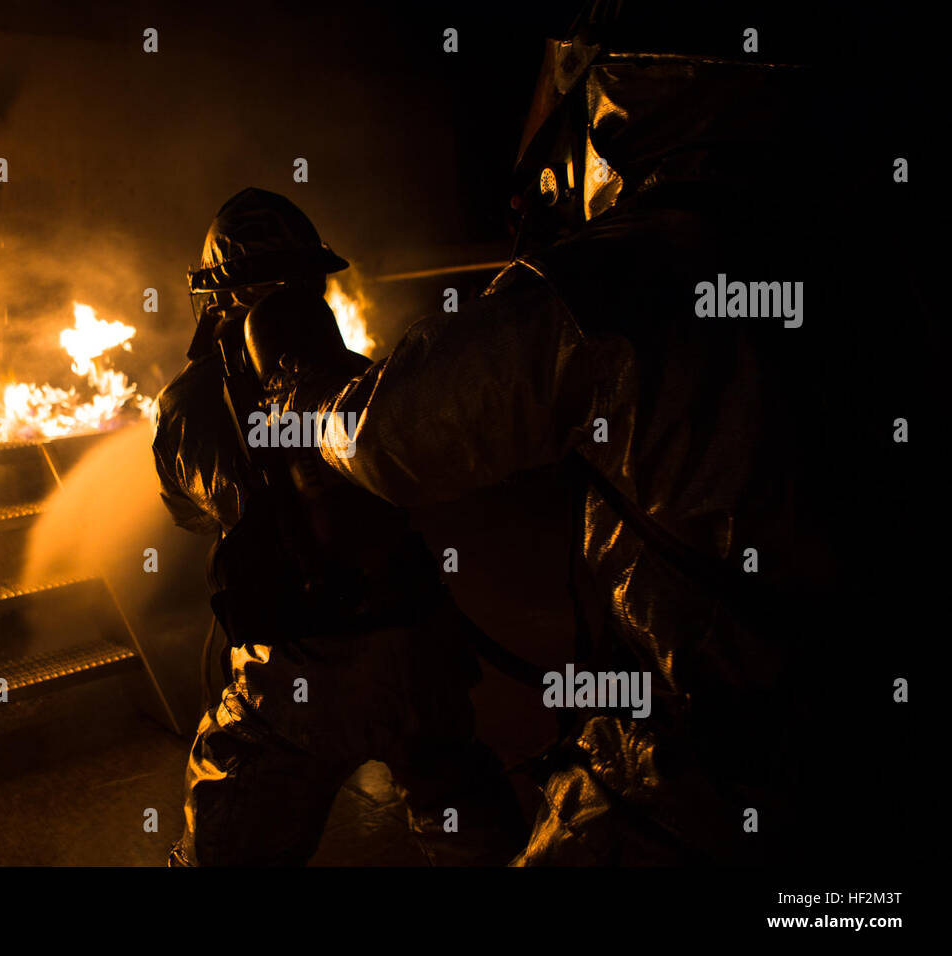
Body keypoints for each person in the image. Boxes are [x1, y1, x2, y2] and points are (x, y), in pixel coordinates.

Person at [274, 1, 894, 865]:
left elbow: (393, 435)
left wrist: (304, 397)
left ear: (617, 101)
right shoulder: (846, 240)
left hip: (707, 767)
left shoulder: (622, 273)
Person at [152, 187, 525, 866]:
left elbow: (187, 510)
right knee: (469, 824)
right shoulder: (363, 380)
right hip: (417, 651)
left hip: (292, 677)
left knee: (226, 841)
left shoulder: (189, 404)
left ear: (215, 297)